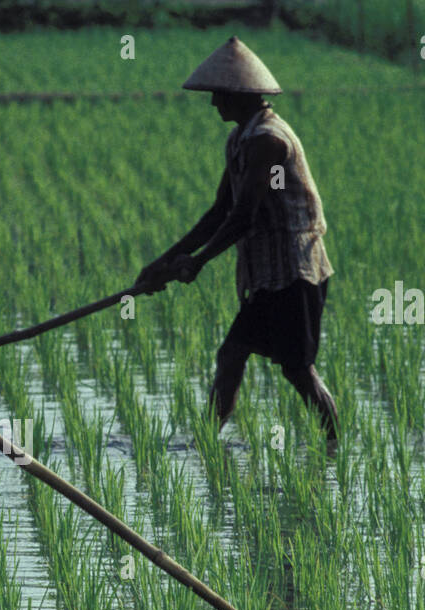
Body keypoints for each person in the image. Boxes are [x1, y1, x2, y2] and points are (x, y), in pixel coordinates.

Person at [136, 37, 339, 446]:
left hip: (294, 270)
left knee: (297, 368)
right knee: (234, 355)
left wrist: (198, 261)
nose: (213, 104)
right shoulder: (241, 140)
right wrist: (163, 262)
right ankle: (206, 444)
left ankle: (334, 446)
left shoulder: (268, 140)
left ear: (238, 95)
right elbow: (218, 213)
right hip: (269, 273)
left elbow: (243, 215)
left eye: (218, 95)